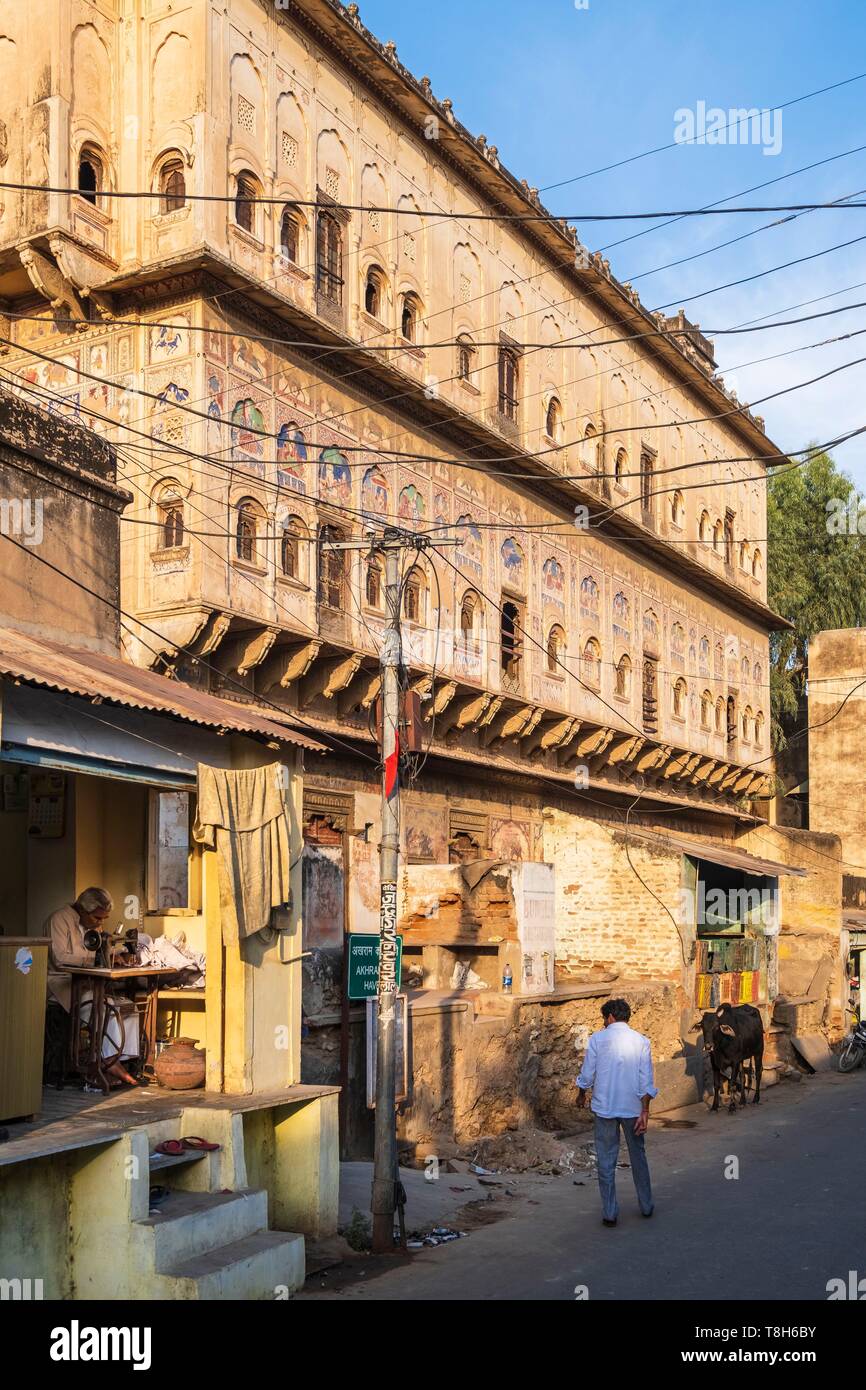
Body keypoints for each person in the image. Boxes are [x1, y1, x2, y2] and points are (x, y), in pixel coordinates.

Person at [44, 887, 140, 1087]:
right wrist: (94, 960)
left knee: (128, 1008)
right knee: (102, 1008)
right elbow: (59, 958)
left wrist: (116, 955)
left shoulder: (93, 926)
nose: (100, 923)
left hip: (85, 984)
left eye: (103, 918)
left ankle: (119, 1060)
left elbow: (100, 950)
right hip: (60, 984)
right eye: (97, 918)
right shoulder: (58, 920)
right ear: (82, 909)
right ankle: (105, 1062)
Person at [576, 997, 657, 1226]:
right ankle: (646, 1205)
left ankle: (610, 1212)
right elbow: (646, 1083)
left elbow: (587, 1075)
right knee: (638, 1157)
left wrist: (581, 1094)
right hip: (632, 1109)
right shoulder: (642, 1041)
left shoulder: (597, 1040)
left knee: (606, 1160)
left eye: (604, 1018)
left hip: (604, 1109)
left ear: (610, 1017)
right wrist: (645, 1112)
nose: (603, 1023)